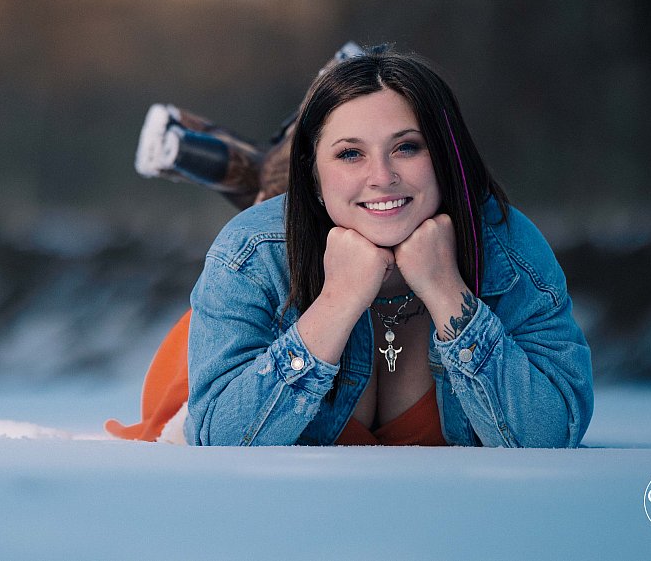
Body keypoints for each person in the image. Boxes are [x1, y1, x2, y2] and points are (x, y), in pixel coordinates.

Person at [107, 44, 593, 447]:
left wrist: (449, 295)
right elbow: (220, 438)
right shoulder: (253, 251)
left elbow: (553, 435)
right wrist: (337, 302)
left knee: (358, 200)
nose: (382, 176)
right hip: (239, 357)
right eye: (350, 153)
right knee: (290, 223)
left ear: (447, 156)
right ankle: (275, 179)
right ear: (316, 175)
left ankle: (267, 169)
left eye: (407, 146)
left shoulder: (507, 249)